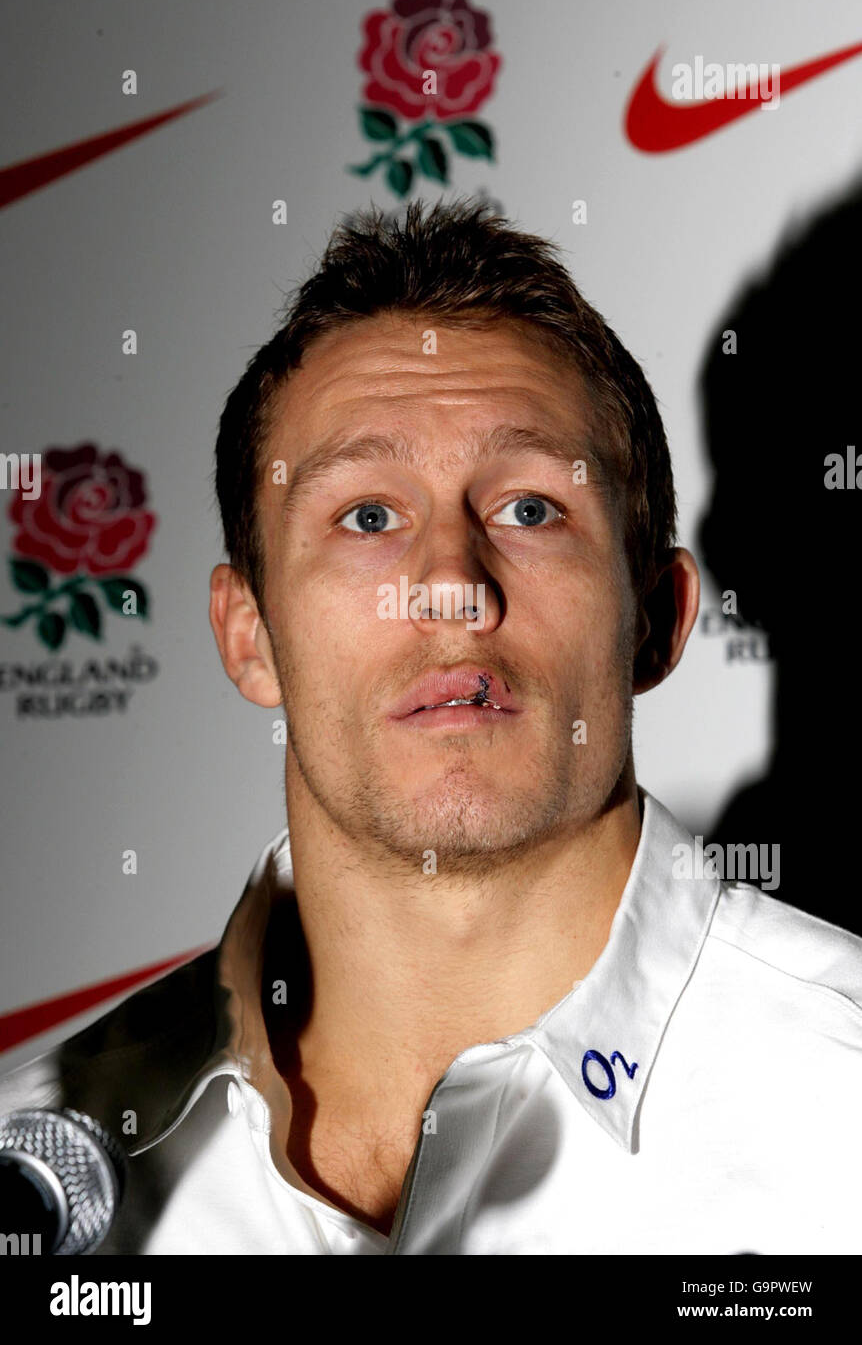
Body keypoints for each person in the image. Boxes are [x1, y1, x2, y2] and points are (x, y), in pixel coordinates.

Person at [1, 197, 859, 1255]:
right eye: (367, 515)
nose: (450, 586)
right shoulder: (31, 1170)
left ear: (658, 620)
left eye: (530, 508)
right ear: (249, 634)